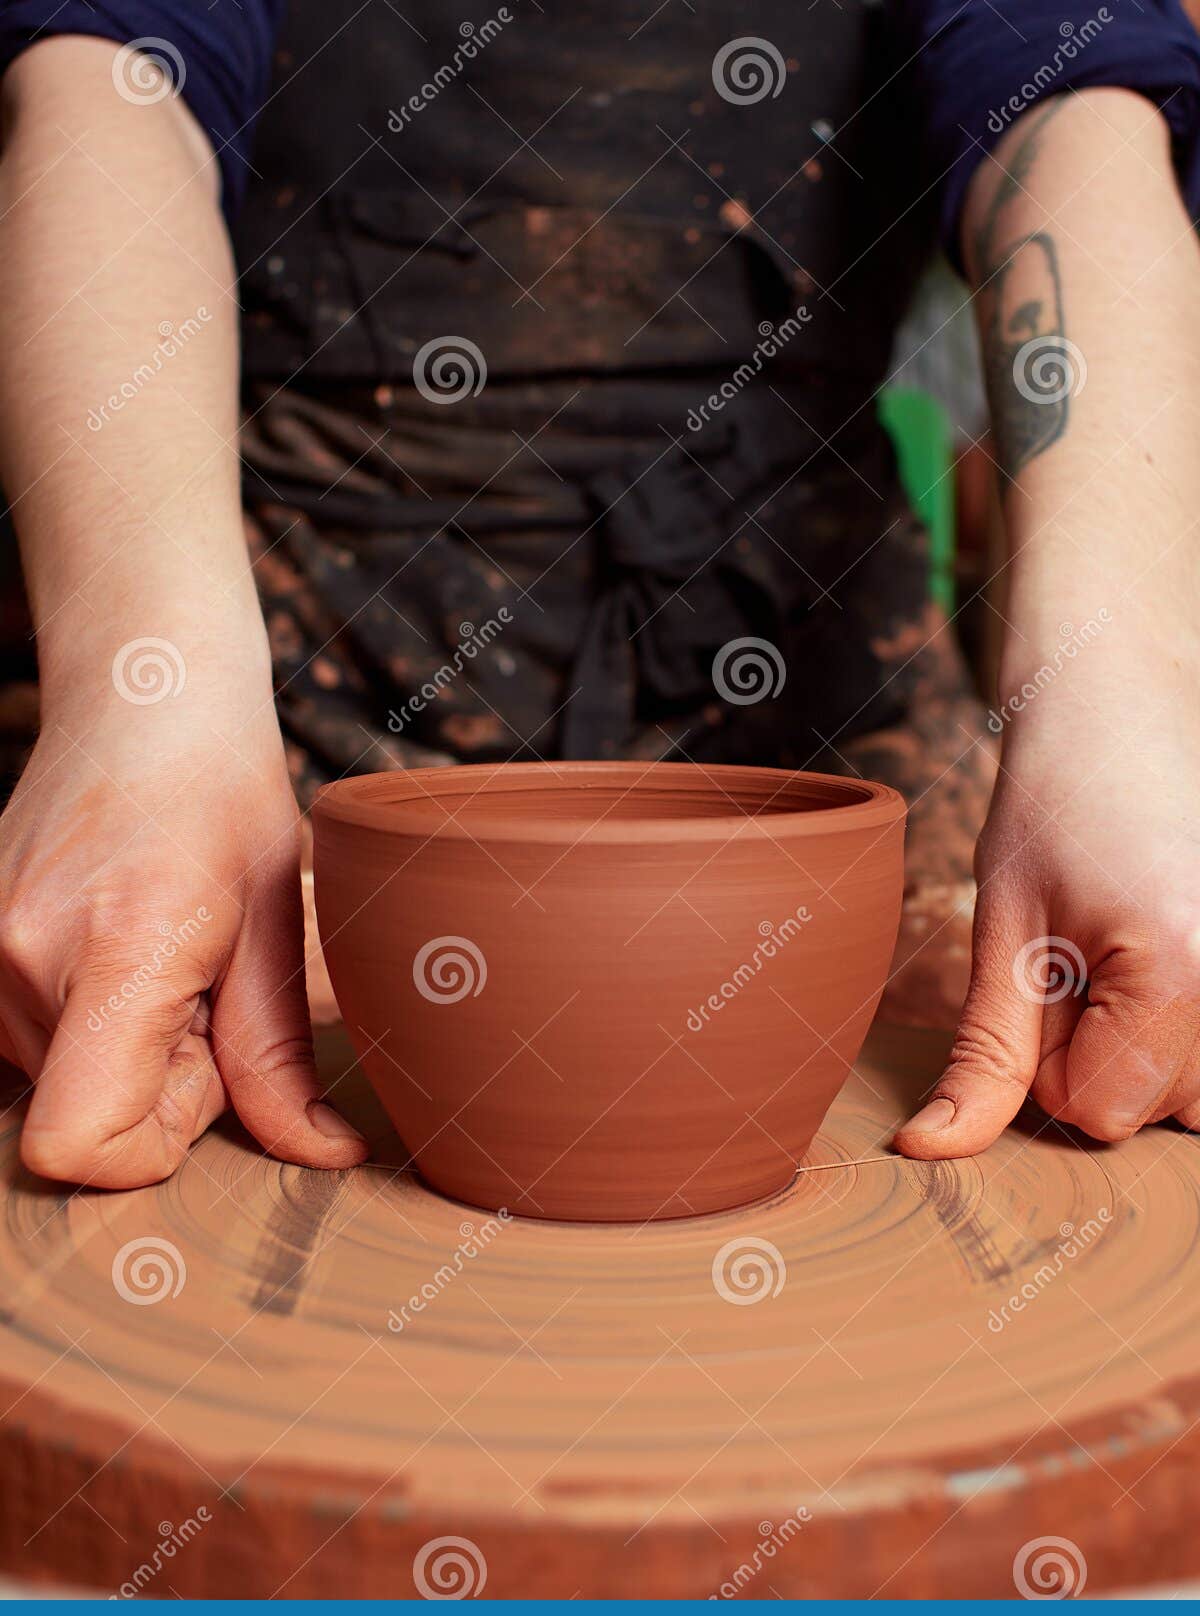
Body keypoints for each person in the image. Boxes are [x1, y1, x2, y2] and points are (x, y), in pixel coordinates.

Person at [0, 1, 1198, 1190]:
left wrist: (1120, 698)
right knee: (150, 1037)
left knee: (1076, 1047)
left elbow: (1072, 89)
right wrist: (142, 687)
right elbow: (116, 76)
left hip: (812, 659)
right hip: (296, 666)